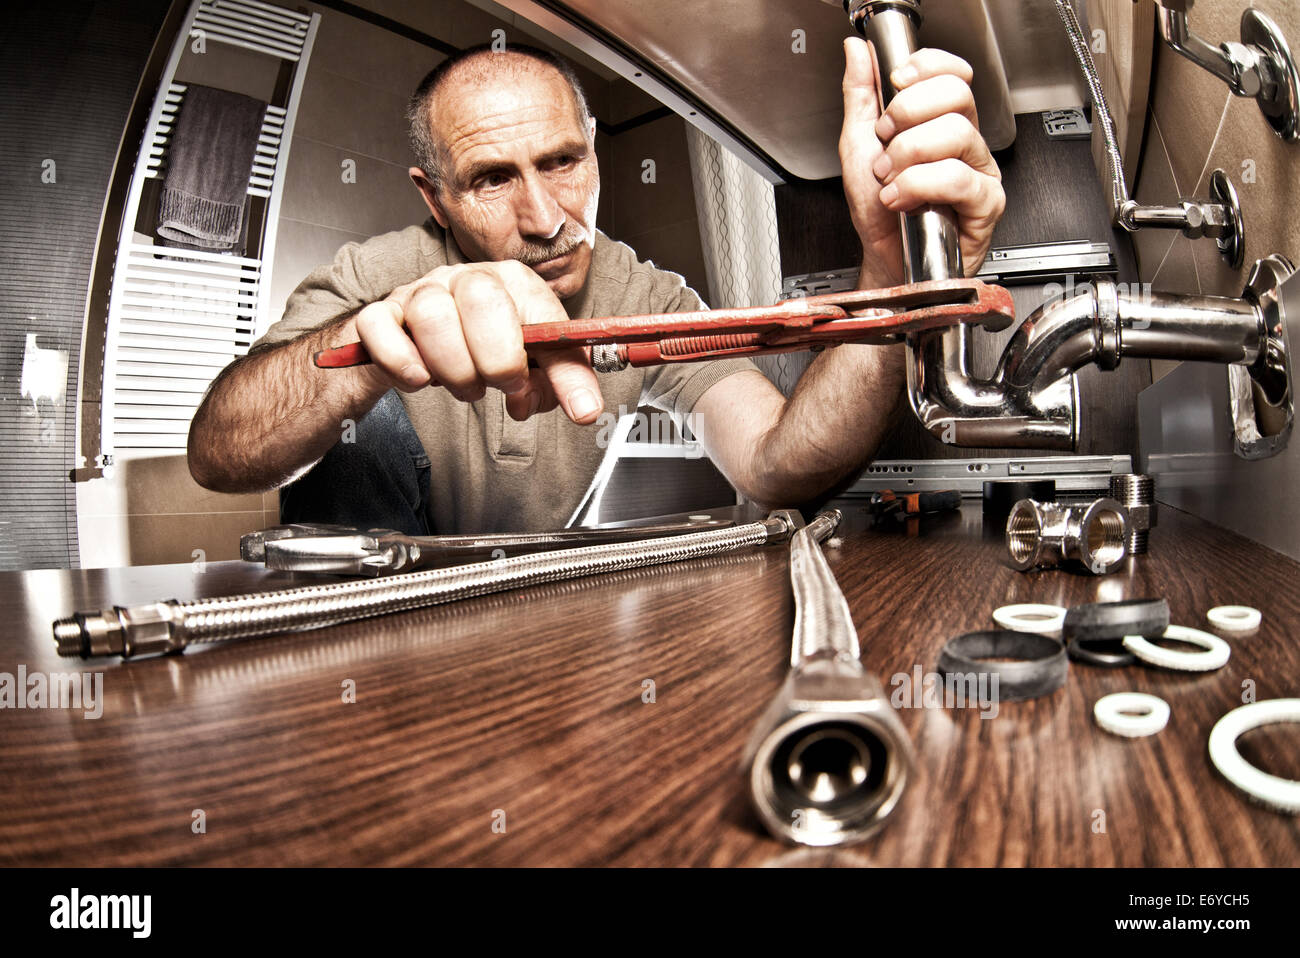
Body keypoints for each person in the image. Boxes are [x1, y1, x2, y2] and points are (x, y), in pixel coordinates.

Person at [187, 38, 1004, 534]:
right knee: (361, 408)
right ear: (433, 196)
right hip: (362, 640)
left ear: (595, 158)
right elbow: (218, 457)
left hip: (521, 616)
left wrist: (891, 273)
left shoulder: (650, 299)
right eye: (492, 180)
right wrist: (367, 357)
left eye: (563, 162)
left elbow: (778, 466)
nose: (546, 217)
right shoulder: (377, 271)